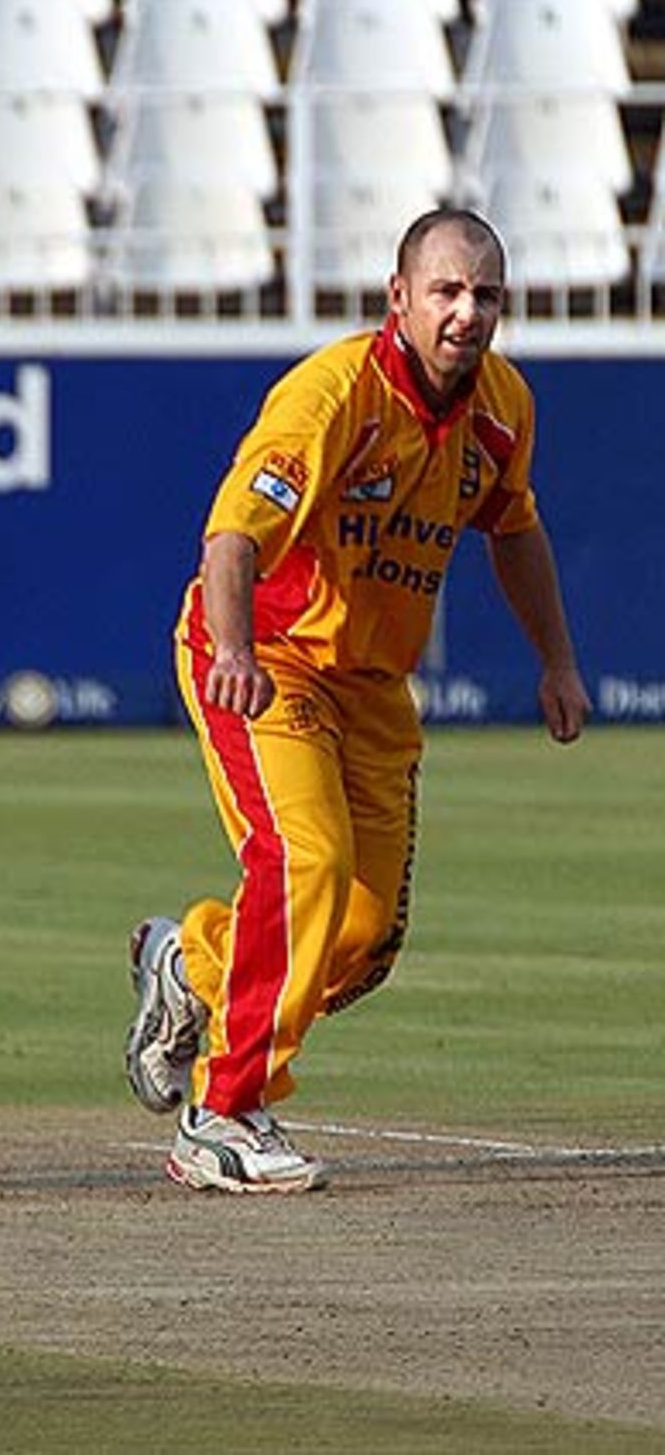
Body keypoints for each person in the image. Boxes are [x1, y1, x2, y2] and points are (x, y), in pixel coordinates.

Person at [125, 208, 590, 1195]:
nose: (467, 313)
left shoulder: (503, 406)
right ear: (399, 299)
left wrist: (557, 660)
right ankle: (223, 1112)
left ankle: (191, 965)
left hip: (374, 687)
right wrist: (240, 651)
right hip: (270, 655)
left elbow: (513, 529)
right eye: (447, 292)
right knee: (307, 863)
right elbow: (232, 539)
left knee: (362, 935)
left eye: (487, 295)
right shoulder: (335, 394)